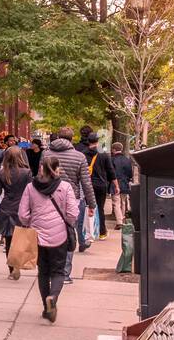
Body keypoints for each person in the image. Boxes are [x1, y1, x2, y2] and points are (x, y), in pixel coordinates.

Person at [17, 156, 80, 322]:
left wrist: (30, 223)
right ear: (56, 168)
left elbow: (23, 214)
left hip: (37, 236)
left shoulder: (31, 187)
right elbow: (73, 213)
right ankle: (53, 297)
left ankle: (46, 308)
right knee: (58, 271)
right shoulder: (65, 187)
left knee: (43, 272)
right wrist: (67, 223)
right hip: (59, 236)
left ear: (41, 168)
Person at [40, 127, 96, 285]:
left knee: (49, 232)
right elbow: (86, 182)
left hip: (48, 197)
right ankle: (64, 273)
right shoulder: (79, 157)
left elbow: (40, 176)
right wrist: (92, 204)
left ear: (58, 137)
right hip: (72, 199)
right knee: (69, 233)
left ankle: (50, 268)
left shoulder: (46, 154)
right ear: (72, 139)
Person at [0, 146, 34, 279]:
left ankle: (12, 269)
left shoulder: (2, 173)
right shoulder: (26, 172)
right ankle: (18, 264)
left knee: (8, 240)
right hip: (22, 207)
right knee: (21, 238)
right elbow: (31, 191)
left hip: (6, 207)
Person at [89, 142, 116, 240]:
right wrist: (116, 185)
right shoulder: (104, 155)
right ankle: (102, 232)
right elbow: (110, 170)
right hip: (101, 184)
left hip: (88, 184)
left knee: (89, 207)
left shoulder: (84, 154)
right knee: (100, 208)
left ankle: (89, 232)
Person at [111, 142, 134, 228]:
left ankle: (119, 222)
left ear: (113, 149)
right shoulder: (127, 160)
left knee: (116, 203)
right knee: (123, 202)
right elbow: (130, 173)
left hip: (115, 183)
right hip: (124, 183)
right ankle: (123, 218)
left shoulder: (112, 160)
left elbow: (111, 172)